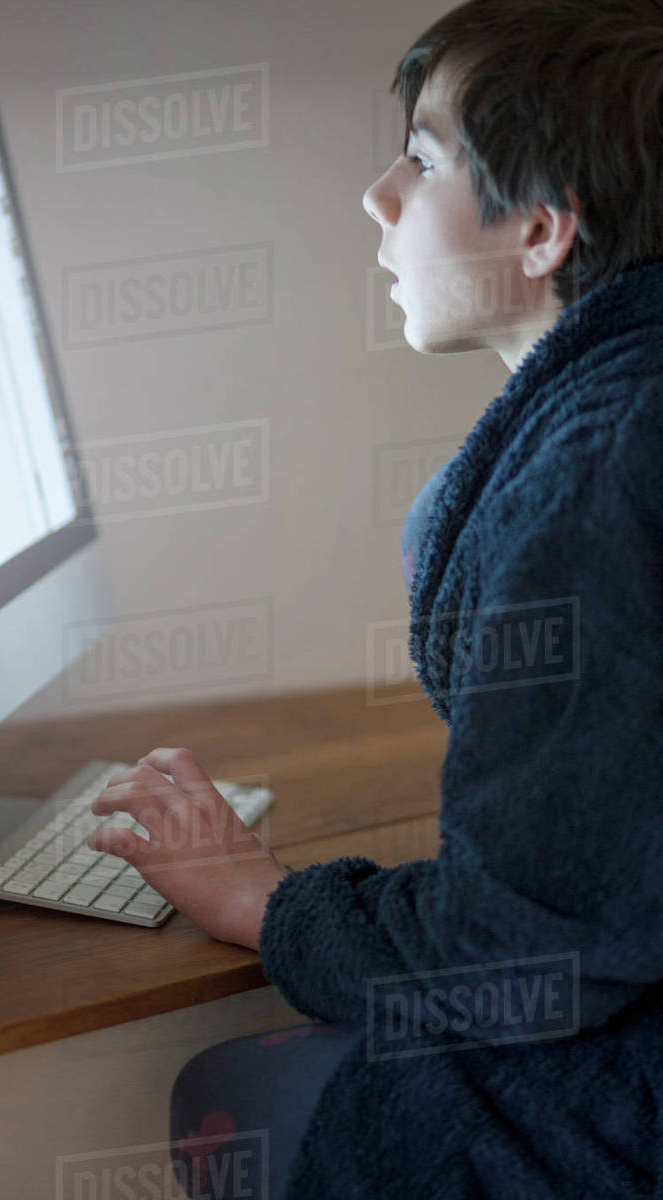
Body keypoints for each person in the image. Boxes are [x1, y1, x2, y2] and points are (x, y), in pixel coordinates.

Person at [87, 1, 663, 1195]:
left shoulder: (591, 478)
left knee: (239, 1092)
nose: (377, 195)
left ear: (544, 230)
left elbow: (531, 958)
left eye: (426, 156)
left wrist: (270, 905)